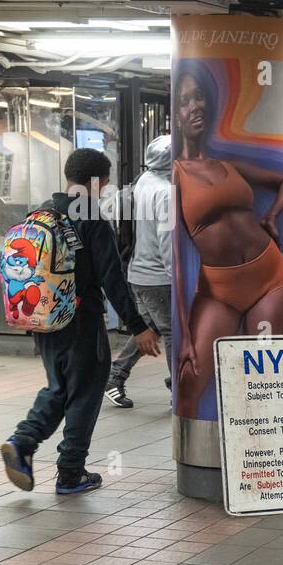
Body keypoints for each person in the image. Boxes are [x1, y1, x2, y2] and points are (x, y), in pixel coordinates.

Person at [0, 148, 160, 495]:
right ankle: (71, 472)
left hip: (43, 318)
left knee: (59, 387)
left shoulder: (43, 209)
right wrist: (138, 326)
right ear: (95, 181)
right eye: (104, 183)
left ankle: (22, 443)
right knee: (86, 392)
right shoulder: (91, 215)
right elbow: (112, 278)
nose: (104, 189)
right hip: (80, 320)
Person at [173, 61, 283, 418]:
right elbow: (178, 261)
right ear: (177, 113)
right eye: (185, 100)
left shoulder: (229, 165)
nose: (194, 105)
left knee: (263, 378)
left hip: (270, 278)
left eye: (199, 97)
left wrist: (271, 216)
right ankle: (196, 465)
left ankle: (258, 465)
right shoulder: (175, 176)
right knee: (190, 380)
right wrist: (183, 334)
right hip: (219, 290)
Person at [105, 134, 174, 408]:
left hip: (138, 273)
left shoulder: (142, 181)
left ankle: (114, 377)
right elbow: (167, 239)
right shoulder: (167, 192)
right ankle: (179, 390)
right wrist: (176, 276)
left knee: (151, 327)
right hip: (158, 275)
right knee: (172, 332)